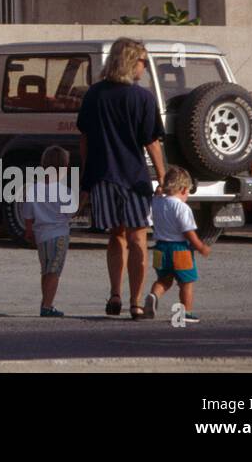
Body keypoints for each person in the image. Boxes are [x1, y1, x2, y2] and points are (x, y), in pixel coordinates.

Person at [77, 37, 167, 321]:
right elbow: (151, 143)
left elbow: (85, 140)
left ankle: (115, 294)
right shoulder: (142, 98)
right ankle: (136, 302)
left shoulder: (94, 95)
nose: (145, 67)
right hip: (134, 178)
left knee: (115, 236)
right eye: (143, 61)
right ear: (131, 62)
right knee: (139, 238)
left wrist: (85, 178)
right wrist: (163, 176)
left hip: (103, 176)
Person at [143, 166, 211, 323]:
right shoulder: (182, 208)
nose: (187, 195)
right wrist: (200, 246)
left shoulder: (157, 202)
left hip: (160, 248)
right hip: (179, 249)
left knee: (164, 280)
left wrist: (159, 191)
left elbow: (157, 196)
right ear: (182, 189)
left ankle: (153, 296)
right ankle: (185, 312)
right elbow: (188, 231)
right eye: (188, 191)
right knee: (186, 282)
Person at [21, 145, 73, 318]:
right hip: (59, 235)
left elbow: (27, 214)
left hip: (41, 236)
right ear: (65, 167)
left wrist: (29, 231)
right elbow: (70, 212)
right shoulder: (65, 191)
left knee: (45, 269)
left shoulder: (33, 189)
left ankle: (45, 302)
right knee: (54, 271)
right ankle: (48, 305)